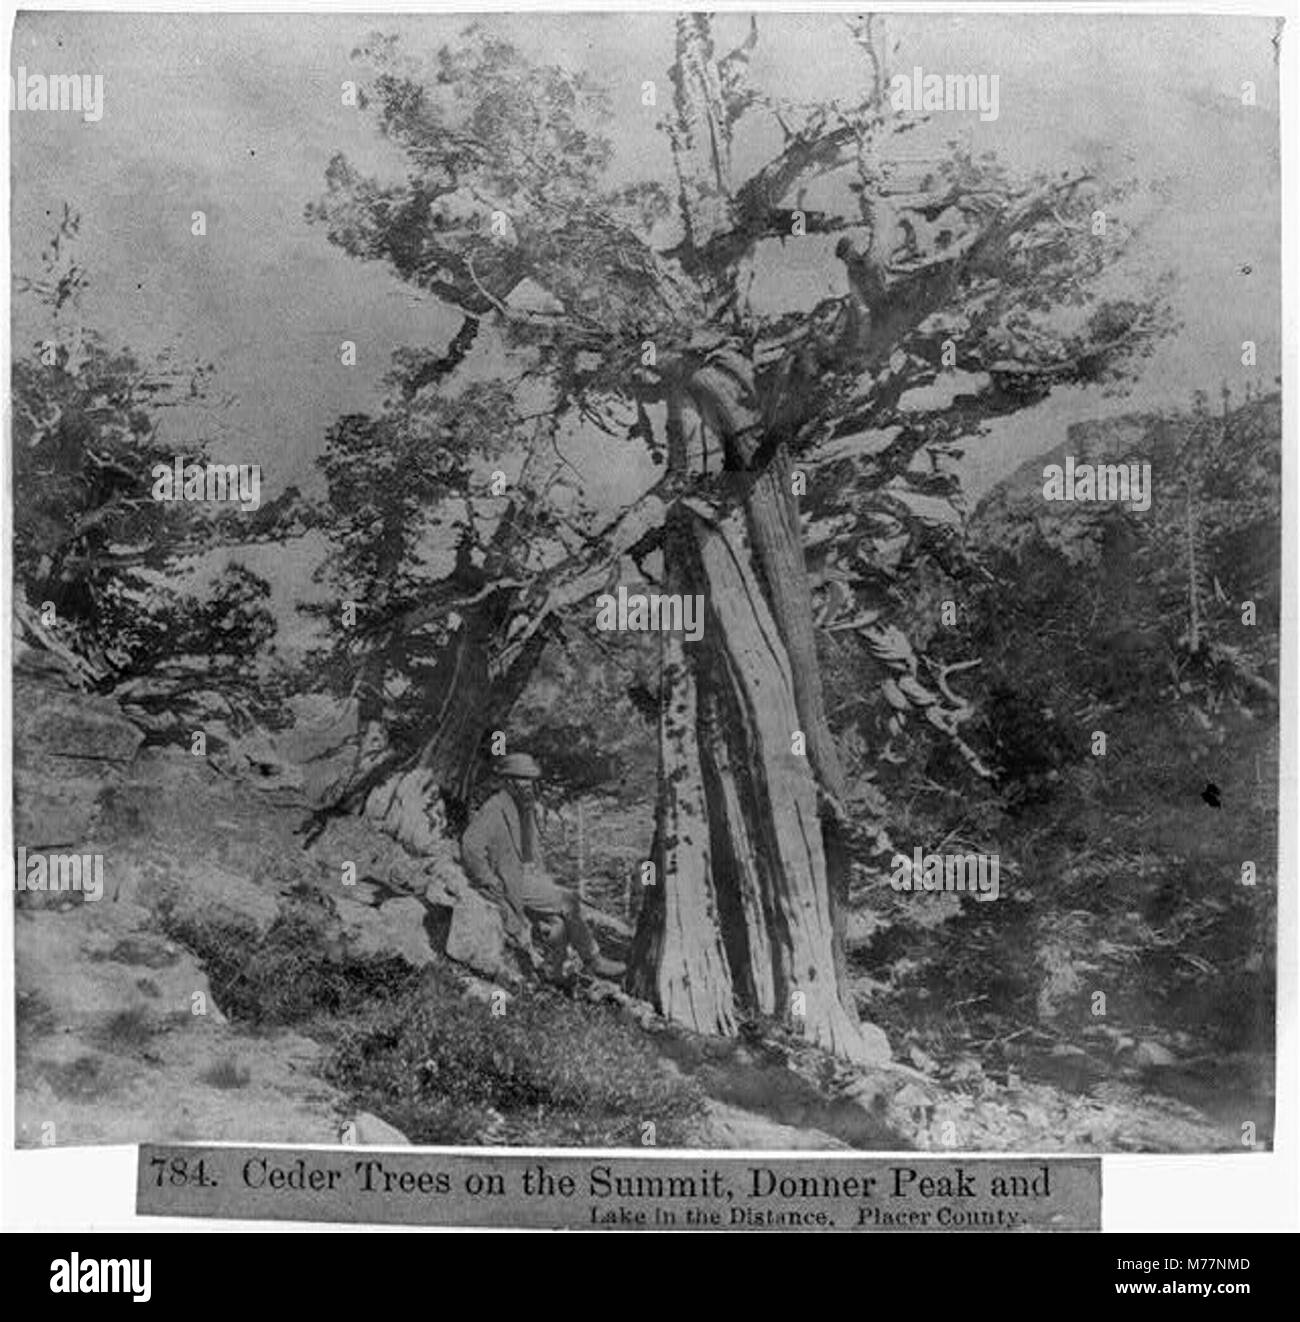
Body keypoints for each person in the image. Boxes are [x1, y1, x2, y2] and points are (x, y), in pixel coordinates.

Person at [460, 753, 625, 980]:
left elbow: (532, 854)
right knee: (570, 900)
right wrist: (488, 880)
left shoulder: (525, 807)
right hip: (512, 880)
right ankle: (593, 960)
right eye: (522, 779)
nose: (528, 785)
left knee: (557, 923)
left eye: (531, 779)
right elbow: (470, 846)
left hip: (530, 877)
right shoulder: (495, 808)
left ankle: (552, 973)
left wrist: (541, 877)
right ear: (508, 782)